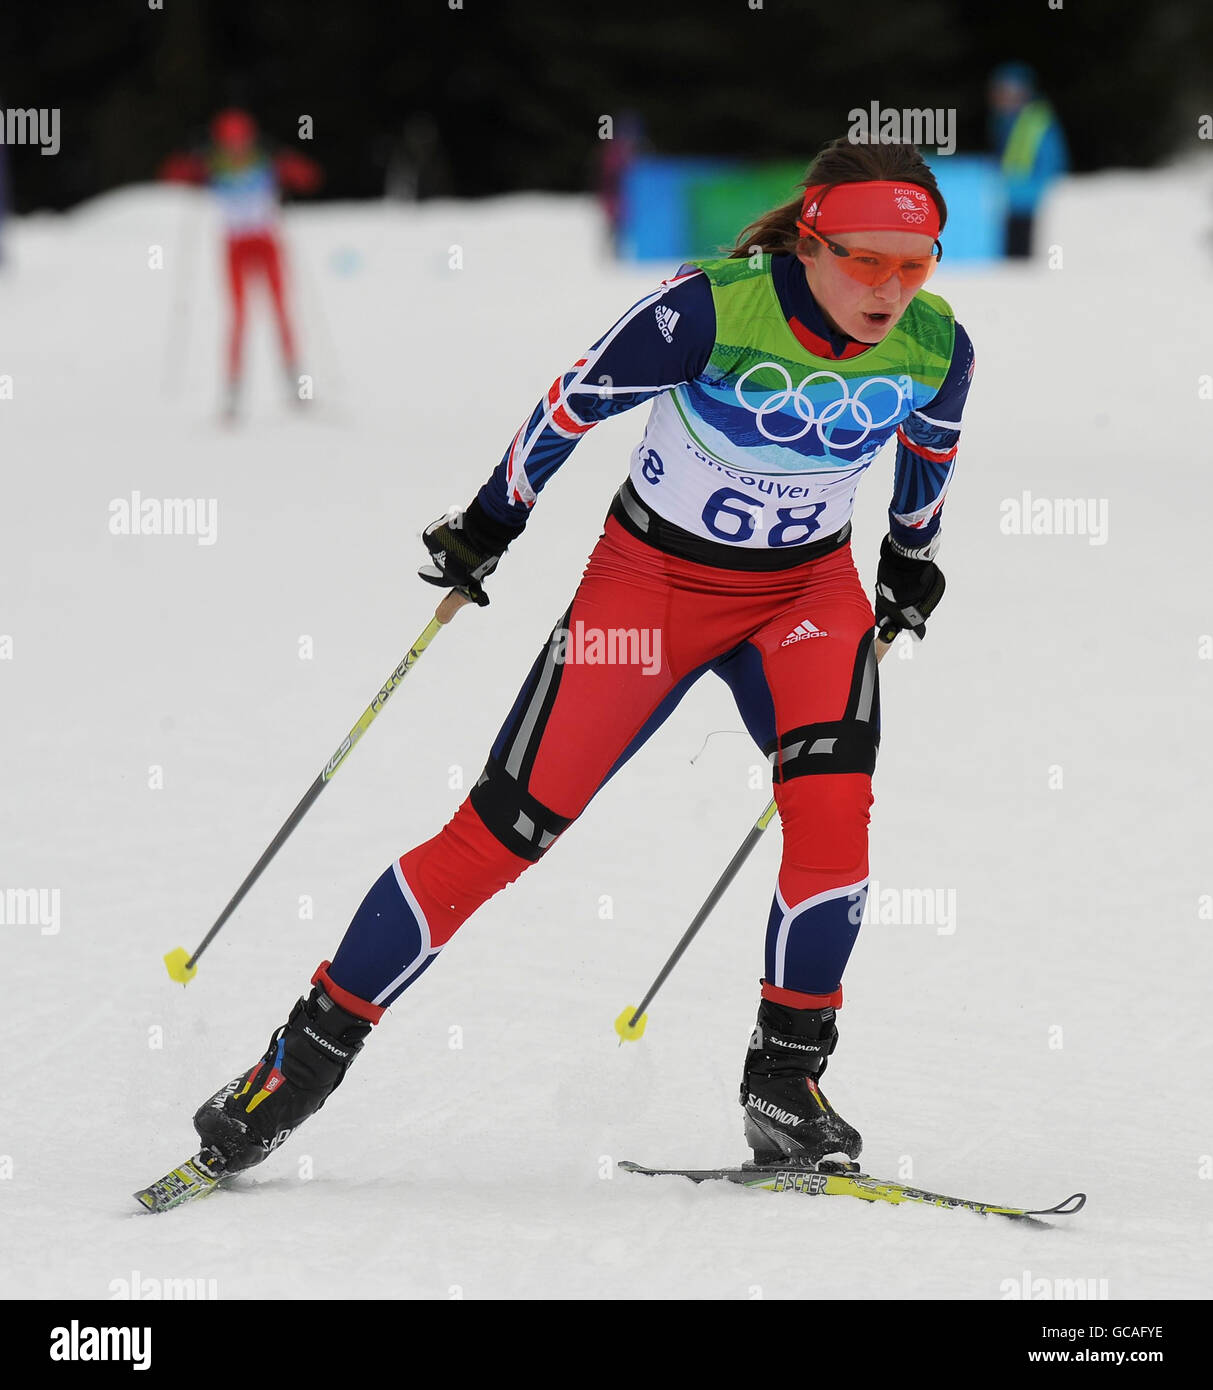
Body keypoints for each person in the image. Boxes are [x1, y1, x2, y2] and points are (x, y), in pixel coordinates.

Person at [188, 137, 975, 1179]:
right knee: (502, 835)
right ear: (811, 240)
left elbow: (930, 450)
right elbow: (574, 400)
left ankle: (786, 1082)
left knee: (833, 817)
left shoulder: (932, 345)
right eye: (864, 260)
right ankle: (301, 1059)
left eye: (911, 265)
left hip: (803, 599)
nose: (888, 289)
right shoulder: (707, 307)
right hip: (647, 594)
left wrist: (908, 560)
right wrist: (487, 522)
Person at [160, 109, 322, 418]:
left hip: (267, 244)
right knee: (238, 319)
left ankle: (296, 386)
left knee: (281, 312)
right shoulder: (211, 165)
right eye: (229, 143)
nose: (236, 150)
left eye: (241, 142)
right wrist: (188, 158)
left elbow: (309, 177)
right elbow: (171, 176)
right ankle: (233, 394)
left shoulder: (266, 160)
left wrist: (287, 162)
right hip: (235, 248)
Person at [988, 62, 1068, 259]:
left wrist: (1043, 190)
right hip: (1013, 199)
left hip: (1032, 201)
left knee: (1024, 261)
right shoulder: (1009, 121)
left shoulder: (1035, 120)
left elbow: (1052, 160)